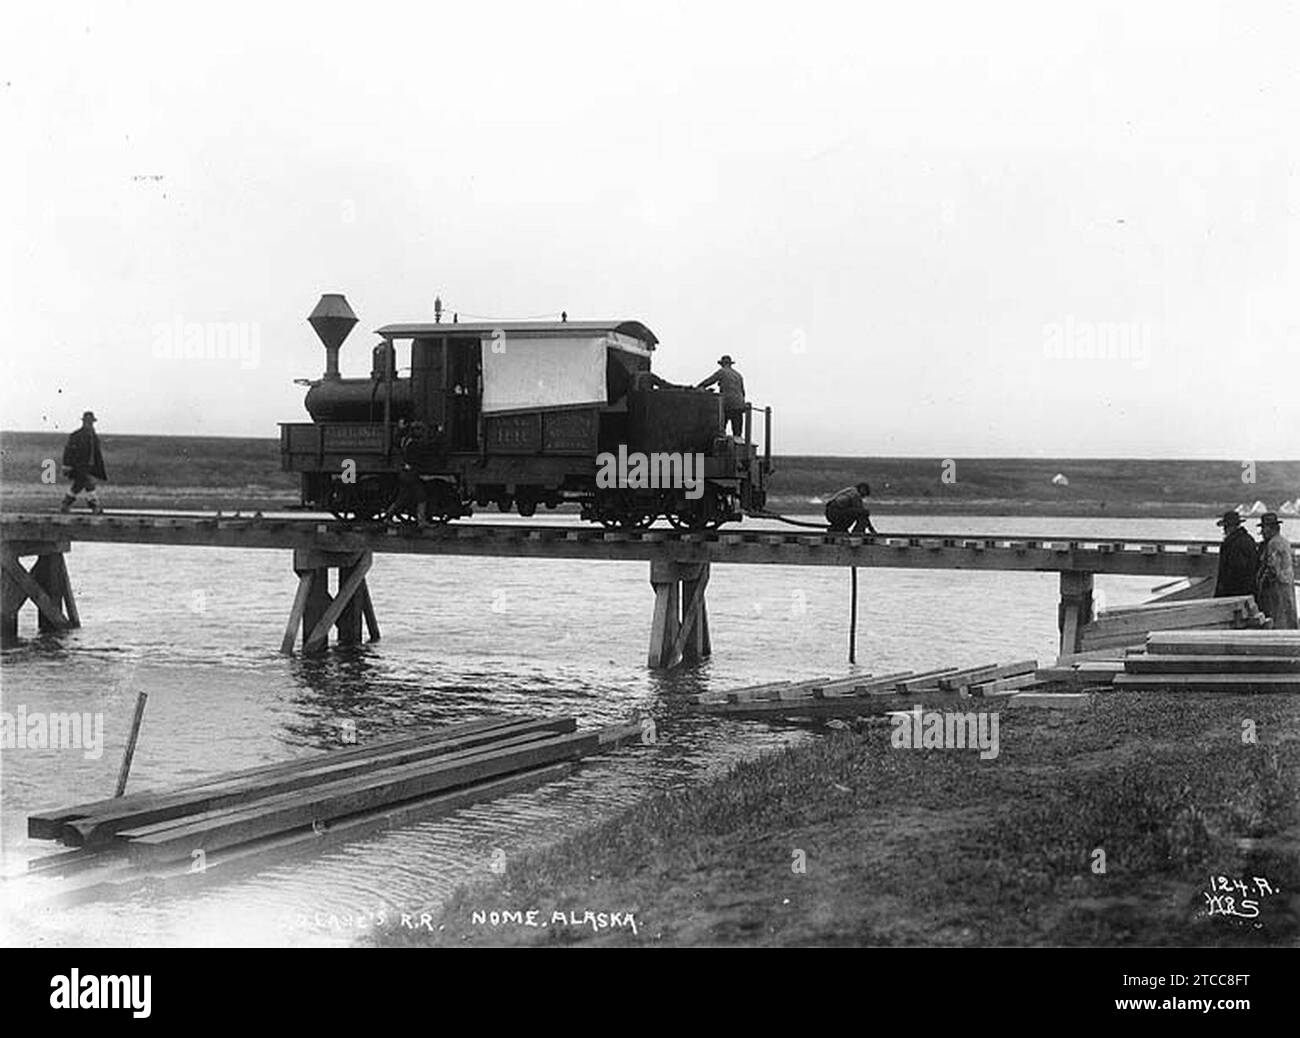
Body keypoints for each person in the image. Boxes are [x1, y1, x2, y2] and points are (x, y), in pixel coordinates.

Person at [1255, 513, 1298, 629]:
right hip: (1287, 585)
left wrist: (1260, 584)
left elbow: (1272, 568)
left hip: (1277, 588)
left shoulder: (1273, 544)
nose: (1262, 532)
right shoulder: (1284, 541)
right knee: (1288, 614)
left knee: (1278, 617)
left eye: (1264, 528)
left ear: (1272, 528)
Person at [60, 411, 106, 514]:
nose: (89, 424)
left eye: (91, 422)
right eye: (88, 421)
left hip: (90, 466)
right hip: (78, 466)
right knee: (89, 483)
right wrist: (67, 465)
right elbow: (68, 451)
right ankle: (95, 506)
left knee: (78, 486)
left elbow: (96, 453)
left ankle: (65, 504)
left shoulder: (93, 436)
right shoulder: (76, 436)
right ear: (84, 422)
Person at [696, 355, 746, 437]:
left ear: (722, 364)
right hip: (739, 405)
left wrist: (699, 386)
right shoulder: (738, 375)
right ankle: (737, 446)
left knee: (721, 428)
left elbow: (710, 380)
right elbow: (743, 392)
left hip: (727, 404)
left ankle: (721, 443)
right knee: (737, 432)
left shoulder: (722, 372)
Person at [1213, 511, 1257, 598]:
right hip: (1246, 589)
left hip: (1235, 591)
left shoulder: (1235, 543)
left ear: (1231, 527)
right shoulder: (1247, 539)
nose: (1224, 530)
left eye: (1226, 527)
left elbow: (1236, 570)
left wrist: (1223, 591)